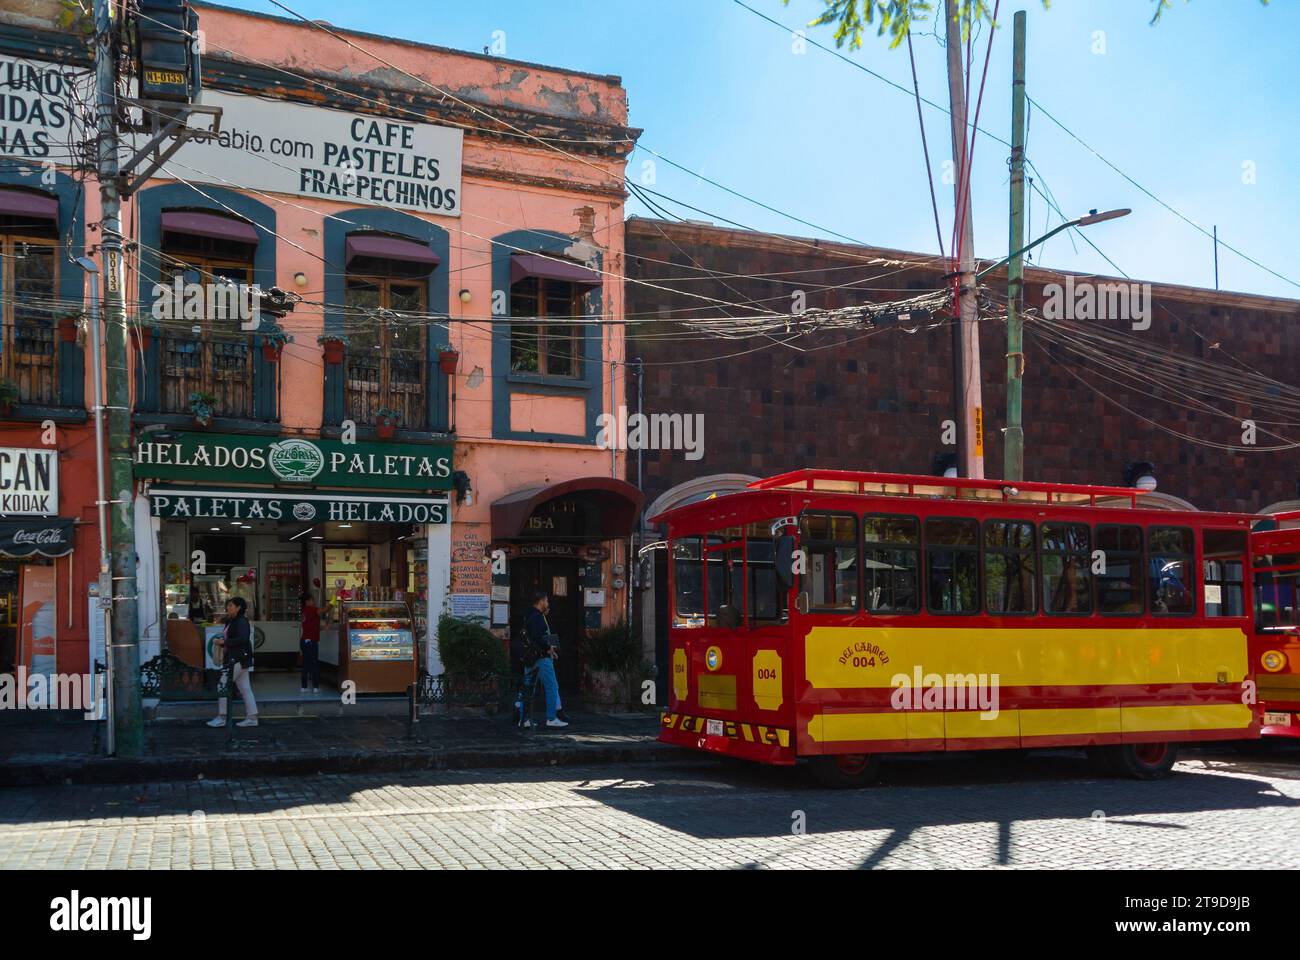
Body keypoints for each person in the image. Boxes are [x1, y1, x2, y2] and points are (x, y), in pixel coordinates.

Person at [206, 597, 258, 727]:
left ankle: (222, 717)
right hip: (239, 659)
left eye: (230, 605)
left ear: (238, 607)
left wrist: (224, 642)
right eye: (228, 605)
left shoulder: (241, 621)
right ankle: (252, 717)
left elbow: (242, 639)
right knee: (245, 688)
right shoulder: (232, 621)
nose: (228, 608)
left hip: (237, 659)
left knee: (222, 685)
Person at [522, 591, 568, 727]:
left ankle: (525, 720)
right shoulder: (537, 617)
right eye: (546, 601)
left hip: (530, 657)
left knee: (528, 688)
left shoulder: (529, 615)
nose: (547, 604)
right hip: (541, 657)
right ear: (541, 601)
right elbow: (539, 637)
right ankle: (551, 718)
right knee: (552, 686)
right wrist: (549, 648)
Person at [299, 592, 320, 694]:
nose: (314, 601)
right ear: (307, 601)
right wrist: (333, 601)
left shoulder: (304, 611)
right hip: (311, 641)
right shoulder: (312, 610)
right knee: (314, 664)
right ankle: (316, 687)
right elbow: (325, 610)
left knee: (305, 665)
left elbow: (305, 627)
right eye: (312, 600)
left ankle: (303, 687)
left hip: (303, 640)